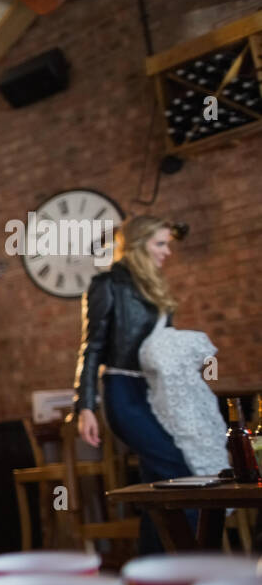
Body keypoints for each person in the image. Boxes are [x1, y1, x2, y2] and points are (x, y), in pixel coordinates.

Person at [73, 215, 193, 554]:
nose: (167, 251)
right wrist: (85, 406)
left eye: (167, 244)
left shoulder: (154, 286)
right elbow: (91, 348)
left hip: (155, 394)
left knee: (158, 483)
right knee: (180, 471)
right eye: (160, 244)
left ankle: (151, 571)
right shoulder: (106, 284)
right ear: (138, 245)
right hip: (123, 393)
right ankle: (191, 561)